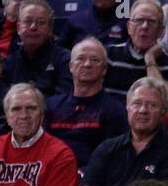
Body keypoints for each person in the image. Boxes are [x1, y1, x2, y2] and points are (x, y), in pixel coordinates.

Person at [0, 84, 78, 186]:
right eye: (16, 109)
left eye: (31, 108)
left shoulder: (60, 154)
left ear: (42, 115)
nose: (24, 115)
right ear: (7, 117)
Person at [45, 37, 128, 169]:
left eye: (95, 59)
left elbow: (113, 158)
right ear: (70, 66)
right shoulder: (50, 106)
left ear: (104, 69)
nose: (87, 64)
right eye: (81, 58)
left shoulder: (114, 110)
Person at [103, 0, 168, 99]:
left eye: (151, 21)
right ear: (129, 27)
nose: (145, 26)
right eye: (139, 20)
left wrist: (150, 60)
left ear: (160, 31)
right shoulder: (108, 55)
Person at [0, 0, 71, 99]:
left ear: (50, 28)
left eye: (41, 22)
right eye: (28, 21)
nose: (33, 27)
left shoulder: (65, 60)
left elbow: (63, 101)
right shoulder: (8, 63)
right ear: (19, 28)